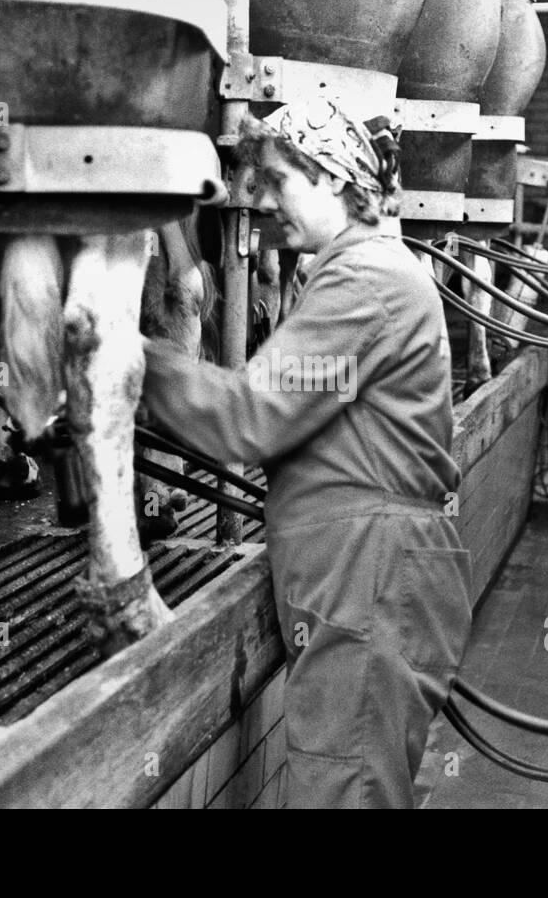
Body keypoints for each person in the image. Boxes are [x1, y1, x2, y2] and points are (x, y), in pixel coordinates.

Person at [140, 96, 473, 808]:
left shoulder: (364, 284)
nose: (261, 202)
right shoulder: (371, 271)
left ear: (330, 178)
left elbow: (252, 419)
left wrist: (134, 363)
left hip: (369, 584)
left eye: (281, 182)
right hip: (372, 580)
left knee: (343, 794)